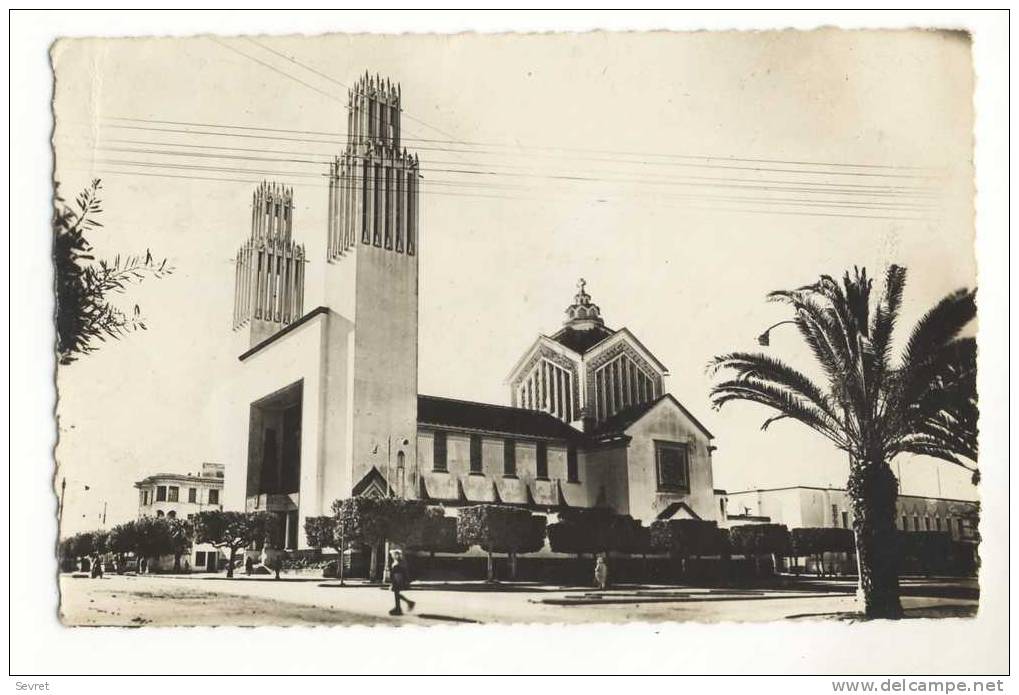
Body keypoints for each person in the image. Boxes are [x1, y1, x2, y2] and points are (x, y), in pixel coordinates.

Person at [388, 549, 415, 616]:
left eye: (393, 554)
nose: (392, 556)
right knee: (396, 594)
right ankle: (399, 607)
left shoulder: (398, 562)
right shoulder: (398, 562)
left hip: (398, 580)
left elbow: (399, 573)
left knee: (396, 594)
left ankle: (401, 607)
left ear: (396, 555)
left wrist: (395, 582)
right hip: (397, 579)